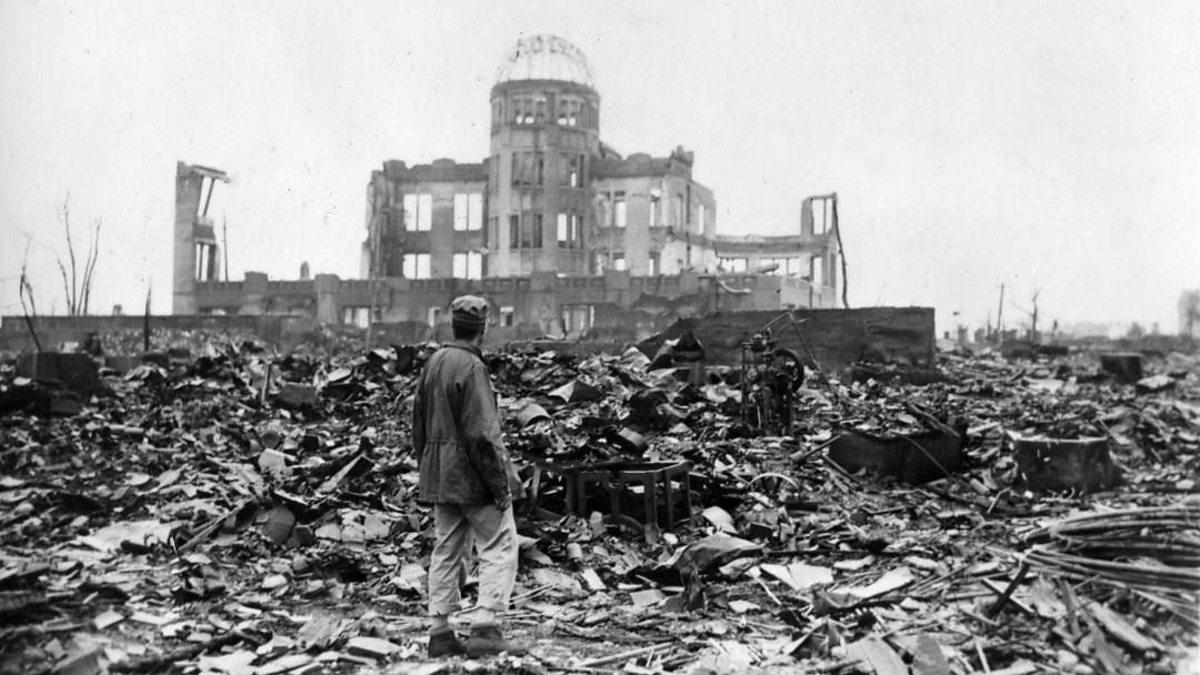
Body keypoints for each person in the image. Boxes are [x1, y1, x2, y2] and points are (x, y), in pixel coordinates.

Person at [413, 295, 524, 657]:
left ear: (454, 325)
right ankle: (485, 627)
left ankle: (440, 631)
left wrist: (429, 468)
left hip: (440, 476)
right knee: (499, 542)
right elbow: (482, 435)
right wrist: (500, 485)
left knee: (447, 548)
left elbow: (418, 424)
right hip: (472, 476)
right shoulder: (473, 368)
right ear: (483, 328)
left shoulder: (434, 362)